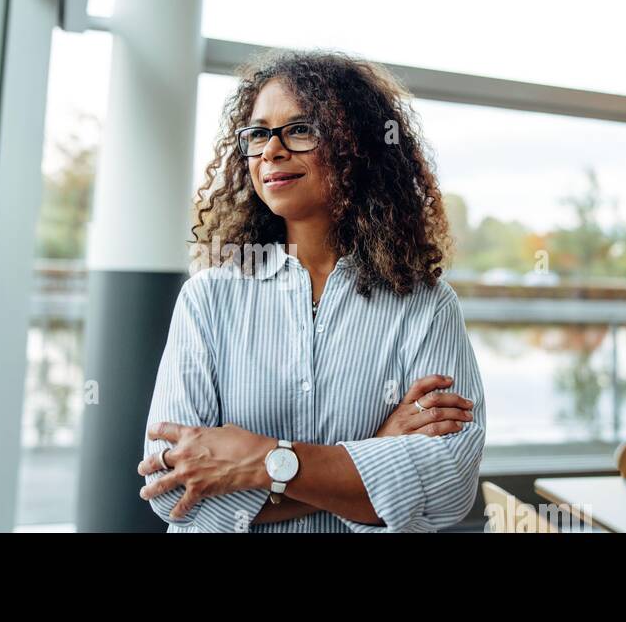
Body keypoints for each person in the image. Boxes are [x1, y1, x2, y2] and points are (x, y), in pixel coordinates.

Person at [136, 49, 486, 532]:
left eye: (300, 130)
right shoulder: (208, 298)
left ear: (357, 146)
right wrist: (377, 455)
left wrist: (261, 462)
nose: (271, 151)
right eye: (258, 134)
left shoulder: (426, 304)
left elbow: (447, 488)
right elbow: (176, 491)